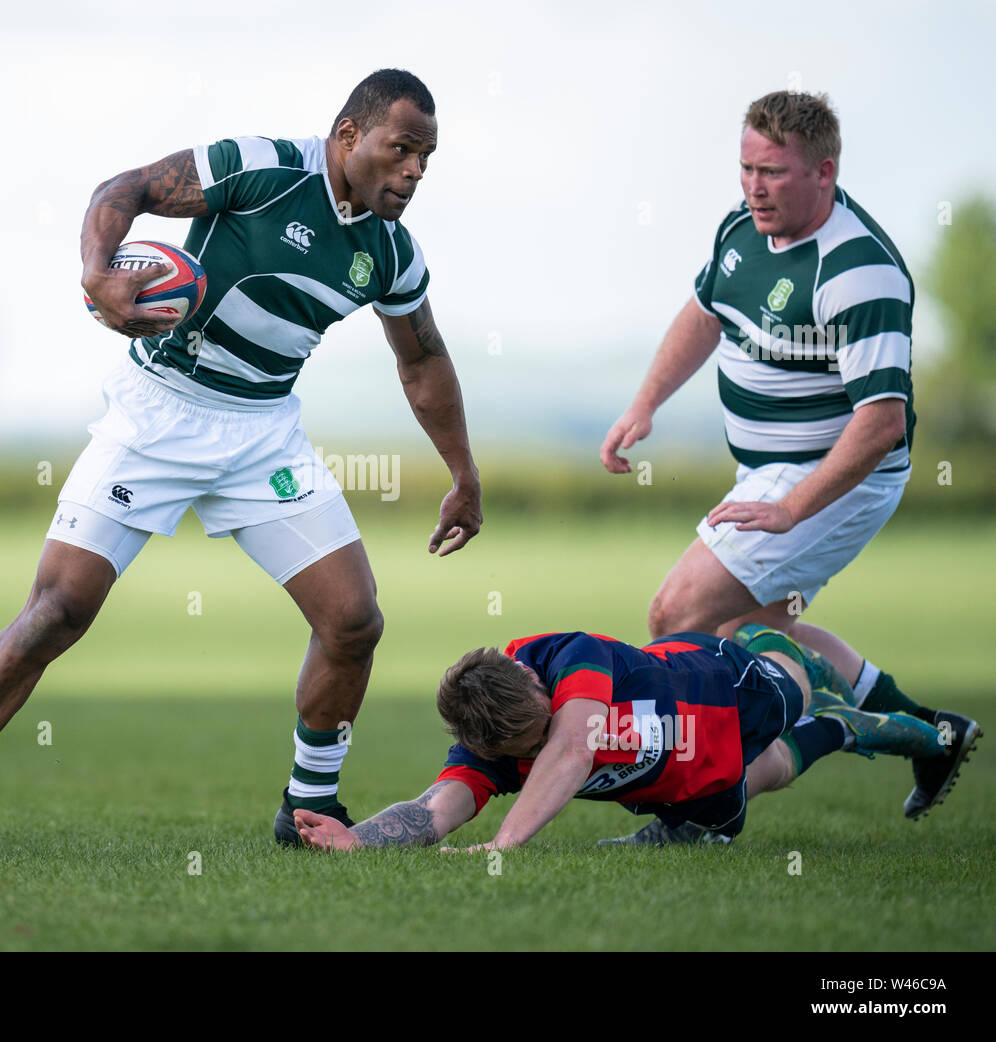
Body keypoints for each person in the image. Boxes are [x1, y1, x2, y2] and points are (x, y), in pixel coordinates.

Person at [0, 68, 482, 861]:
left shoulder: (391, 250)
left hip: (264, 434)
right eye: (403, 150)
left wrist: (463, 476)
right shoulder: (261, 167)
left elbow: (423, 363)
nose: (415, 172)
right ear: (350, 136)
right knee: (56, 612)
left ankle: (306, 810)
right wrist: (97, 270)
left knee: (354, 621)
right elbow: (125, 189)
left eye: (427, 158)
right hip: (158, 413)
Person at [597, 90, 978, 821]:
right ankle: (931, 734)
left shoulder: (859, 272)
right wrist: (644, 404)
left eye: (771, 172)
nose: (753, 187)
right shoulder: (742, 227)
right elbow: (705, 313)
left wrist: (789, 508)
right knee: (754, 635)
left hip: (833, 478)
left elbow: (881, 423)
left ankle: (702, 813)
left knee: (678, 615)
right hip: (769, 475)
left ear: (824, 173)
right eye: (745, 168)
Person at [293, 627, 952, 852]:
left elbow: (576, 748)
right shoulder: (488, 742)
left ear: (530, 676)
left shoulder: (566, 655)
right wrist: (362, 838)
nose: (544, 741)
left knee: (792, 685)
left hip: (733, 690)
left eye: (544, 720)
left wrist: (504, 842)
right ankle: (846, 728)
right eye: (528, 743)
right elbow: (435, 808)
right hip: (690, 779)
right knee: (768, 777)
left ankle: (772, 641)